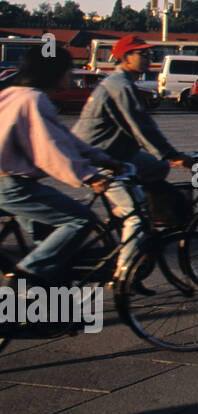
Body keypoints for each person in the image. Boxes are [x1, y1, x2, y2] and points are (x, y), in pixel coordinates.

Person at [73, 35, 194, 272]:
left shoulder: (123, 83)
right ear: (125, 58)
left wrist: (165, 158)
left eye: (149, 54)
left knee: (157, 168)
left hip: (115, 154)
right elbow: (142, 126)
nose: (149, 58)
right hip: (97, 159)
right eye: (142, 54)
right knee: (136, 218)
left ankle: (127, 220)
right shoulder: (119, 85)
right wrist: (172, 154)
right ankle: (123, 275)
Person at [0, 48, 116, 283]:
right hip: (13, 186)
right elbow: (49, 147)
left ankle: (51, 305)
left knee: (50, 240)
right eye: (68, 70)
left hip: (7, 183)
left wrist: (101, 158)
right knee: (82, 219)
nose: (70, 76)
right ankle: (25, 276)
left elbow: (65, 138)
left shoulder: (12, 93)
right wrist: (89, 176)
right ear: (52, 73)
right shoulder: (34, 99)